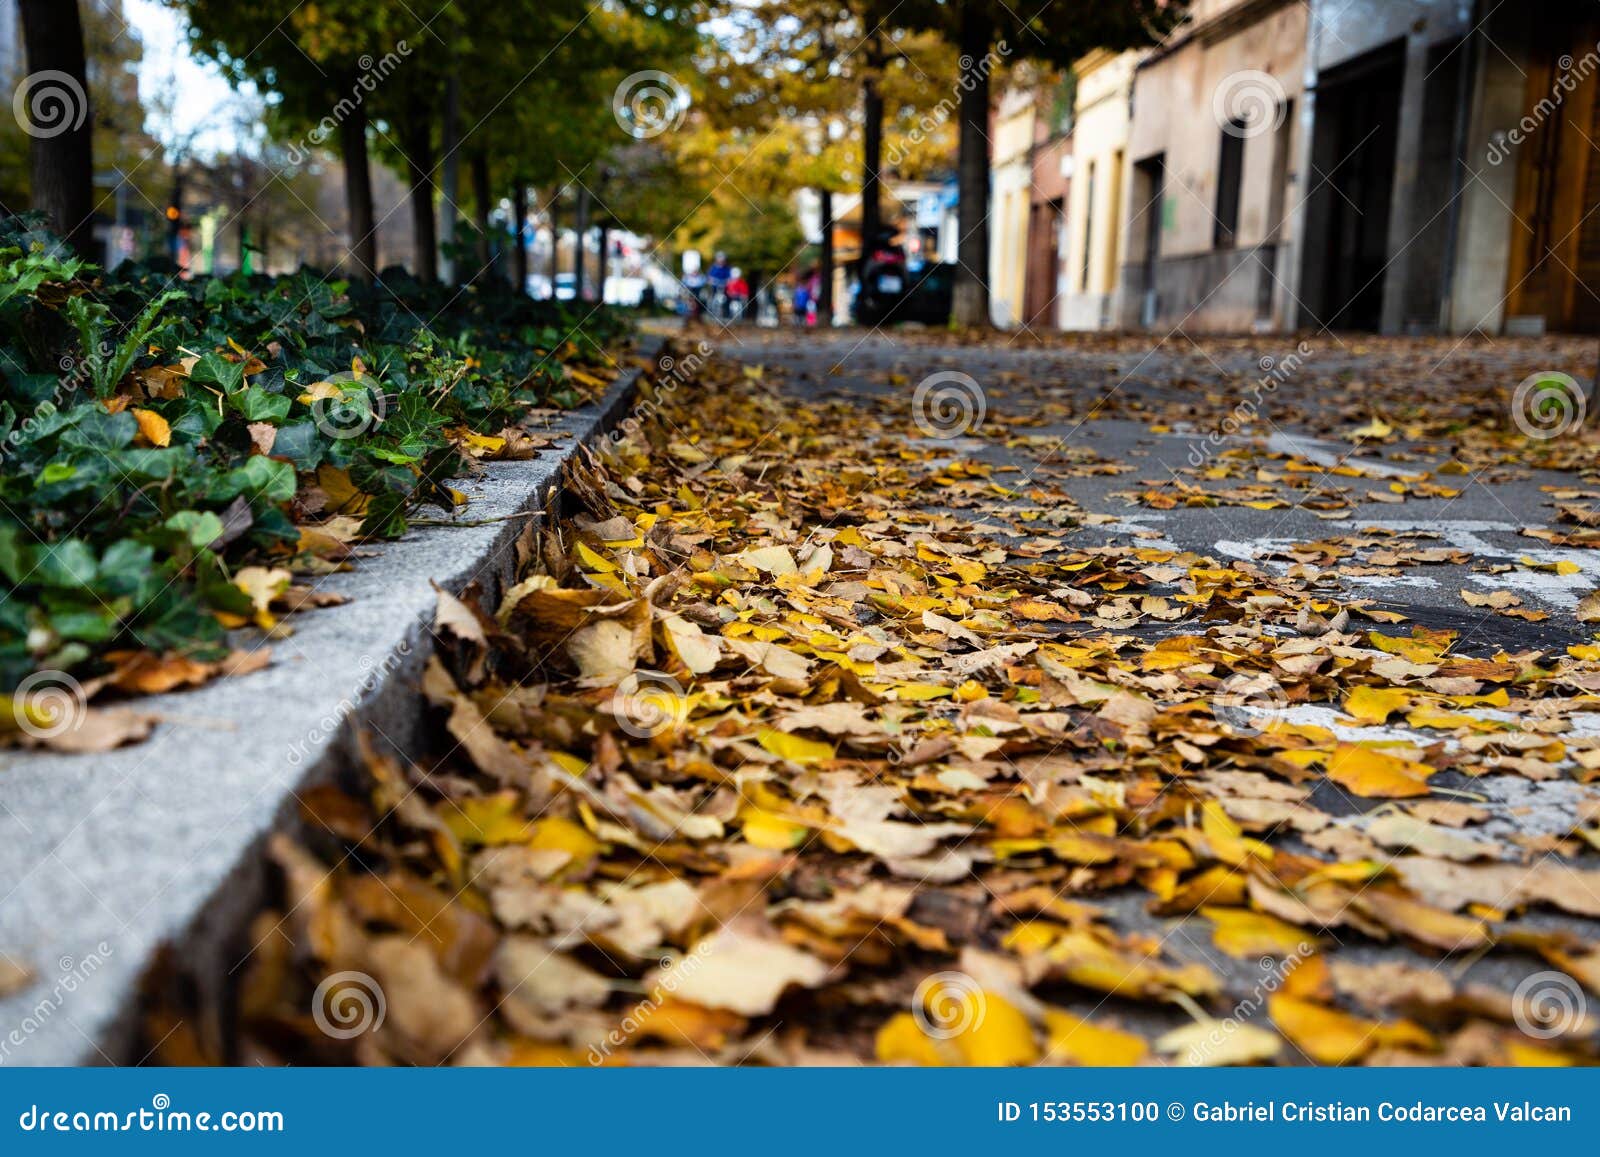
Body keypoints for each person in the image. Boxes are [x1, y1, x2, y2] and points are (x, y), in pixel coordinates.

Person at [707, 252, 732, 319]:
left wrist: (728, 281)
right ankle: (711, 311)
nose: (721, 261)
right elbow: (709, 277)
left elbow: (730, 277)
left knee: (728, 297)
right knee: (711, 297)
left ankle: (727, 313)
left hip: (724, 287)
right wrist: (711, 281)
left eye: (722, 260)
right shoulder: (713, 268)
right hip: (715, 287)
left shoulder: (727, 268)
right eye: (720, 259)